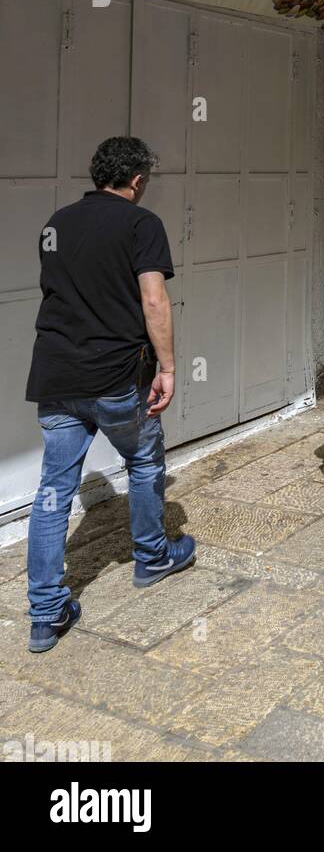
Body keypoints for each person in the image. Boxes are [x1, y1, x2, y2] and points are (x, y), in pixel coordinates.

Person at [24, 137, 194, 654]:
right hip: (117, 376)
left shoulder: (56, 223)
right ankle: (151, 556)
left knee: (53, 493)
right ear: (138, 180)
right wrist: (167, 366)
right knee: (144, 461)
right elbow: (153, 299)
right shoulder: (143, 225)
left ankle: (46, 613)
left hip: (57, 376)